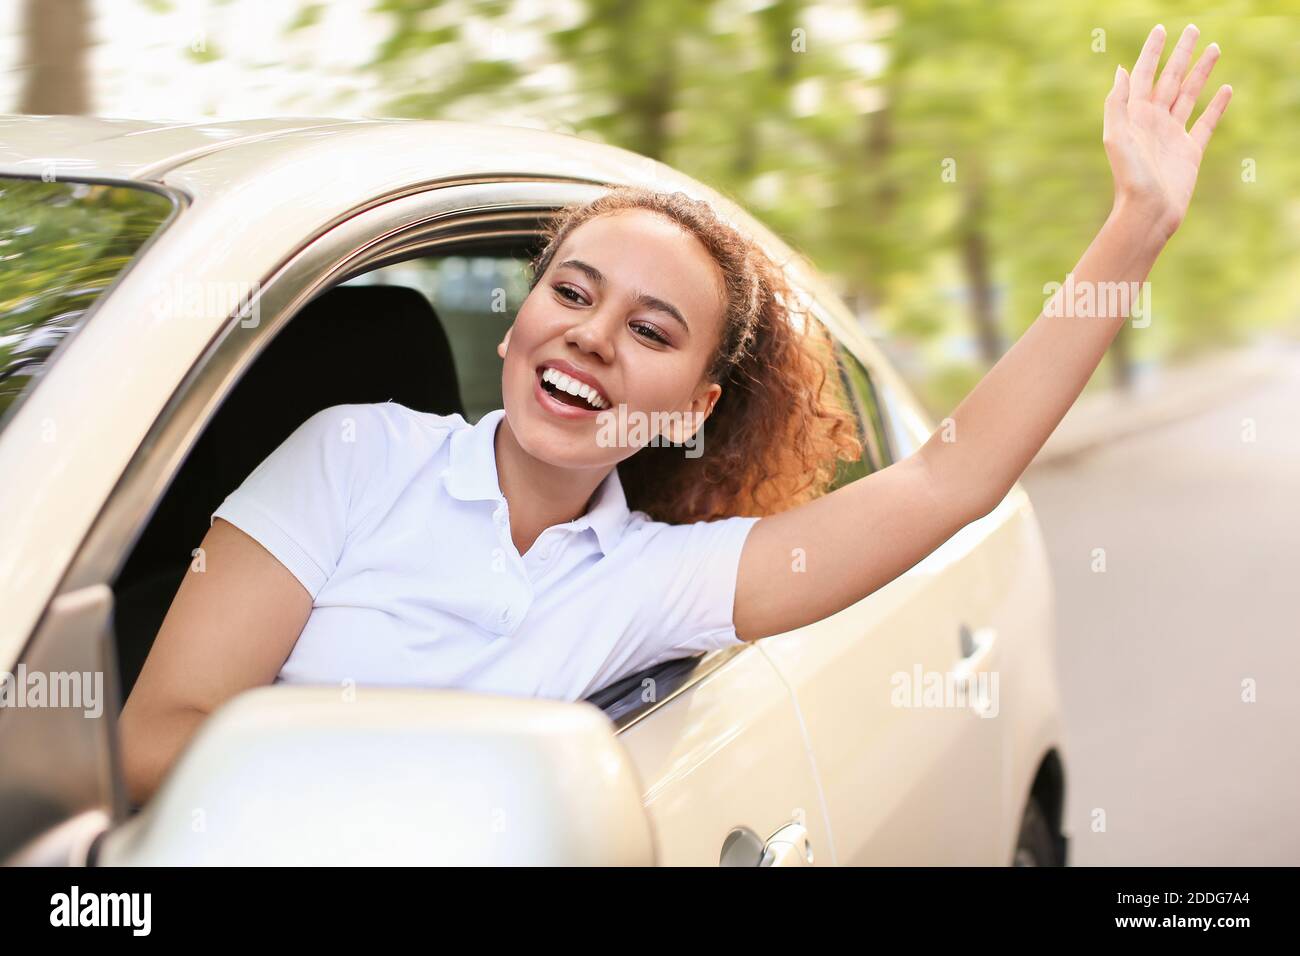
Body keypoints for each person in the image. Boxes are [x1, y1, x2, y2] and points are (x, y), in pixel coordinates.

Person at [118, 23, 1231, 808]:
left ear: (689, 411)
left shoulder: (655, 580)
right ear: (513, 331)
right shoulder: (354, 453)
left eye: (651, 332)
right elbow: (158, 734)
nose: (593, 335)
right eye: (569, 291)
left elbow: (950, 478)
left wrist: (1132, 229)